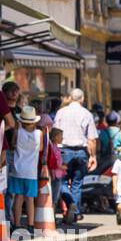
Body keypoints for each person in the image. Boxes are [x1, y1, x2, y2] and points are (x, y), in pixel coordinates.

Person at [52, 87, 99, 221]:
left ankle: (70, 204)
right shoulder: (86, 114)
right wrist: (93, 156)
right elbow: (92, 139)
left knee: (62, 182)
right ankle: (75, 211)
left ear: (70, 98)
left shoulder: (61, 112)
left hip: (64, 151)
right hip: (80, 152)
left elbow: (54, 133)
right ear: (82, 99)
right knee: (77, 183)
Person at [6, 106, 48, 234]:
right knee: (30, 198)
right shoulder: (39, 134)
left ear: (21, 121)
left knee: (18, 197)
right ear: (34, 121)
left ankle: (17, 223)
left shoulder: (17, 132)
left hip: (18, 169)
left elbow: (12, 145)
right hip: (31, 172)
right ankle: (30, 224)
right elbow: (41, 149)